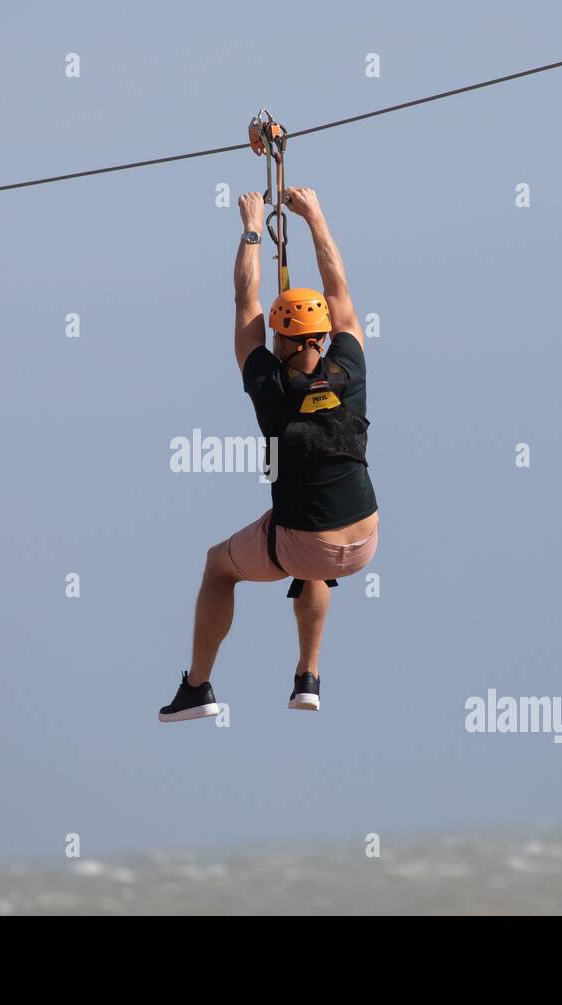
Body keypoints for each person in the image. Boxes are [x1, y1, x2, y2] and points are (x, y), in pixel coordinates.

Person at [159, 188, 379, 722]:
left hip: (308, 543)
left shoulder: (268, 384)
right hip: (366, 537)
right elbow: (340, 288)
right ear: (323, 336)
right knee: (312, 555)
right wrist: (315, 217)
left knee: (218, 566)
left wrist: (253, 228)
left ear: (280, 340)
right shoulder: (351, 363)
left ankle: (198, 688)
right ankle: (309, 676)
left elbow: (245, 304)